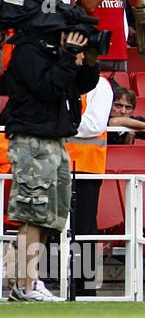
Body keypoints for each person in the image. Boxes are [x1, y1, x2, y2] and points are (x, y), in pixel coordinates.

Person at [3, 21, 101, 301]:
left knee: (49, 217)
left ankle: (31, 282)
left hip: (55, 139)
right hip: (32, 139)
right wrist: (68, 57)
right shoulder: (28, 51)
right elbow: (47, 87)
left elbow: (80, 85)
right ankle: (24, 284)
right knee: (33, 212)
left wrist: (89, 61)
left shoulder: (59, 57)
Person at [66, 72, 114, 298]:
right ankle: (54, 281)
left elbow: (94, 126)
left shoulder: (100, 85)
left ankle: (84, 288)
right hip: (57, 164)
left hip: (86, 167)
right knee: (54, 227)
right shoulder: (62, 79)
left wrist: (58, 124)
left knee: (83, 228)